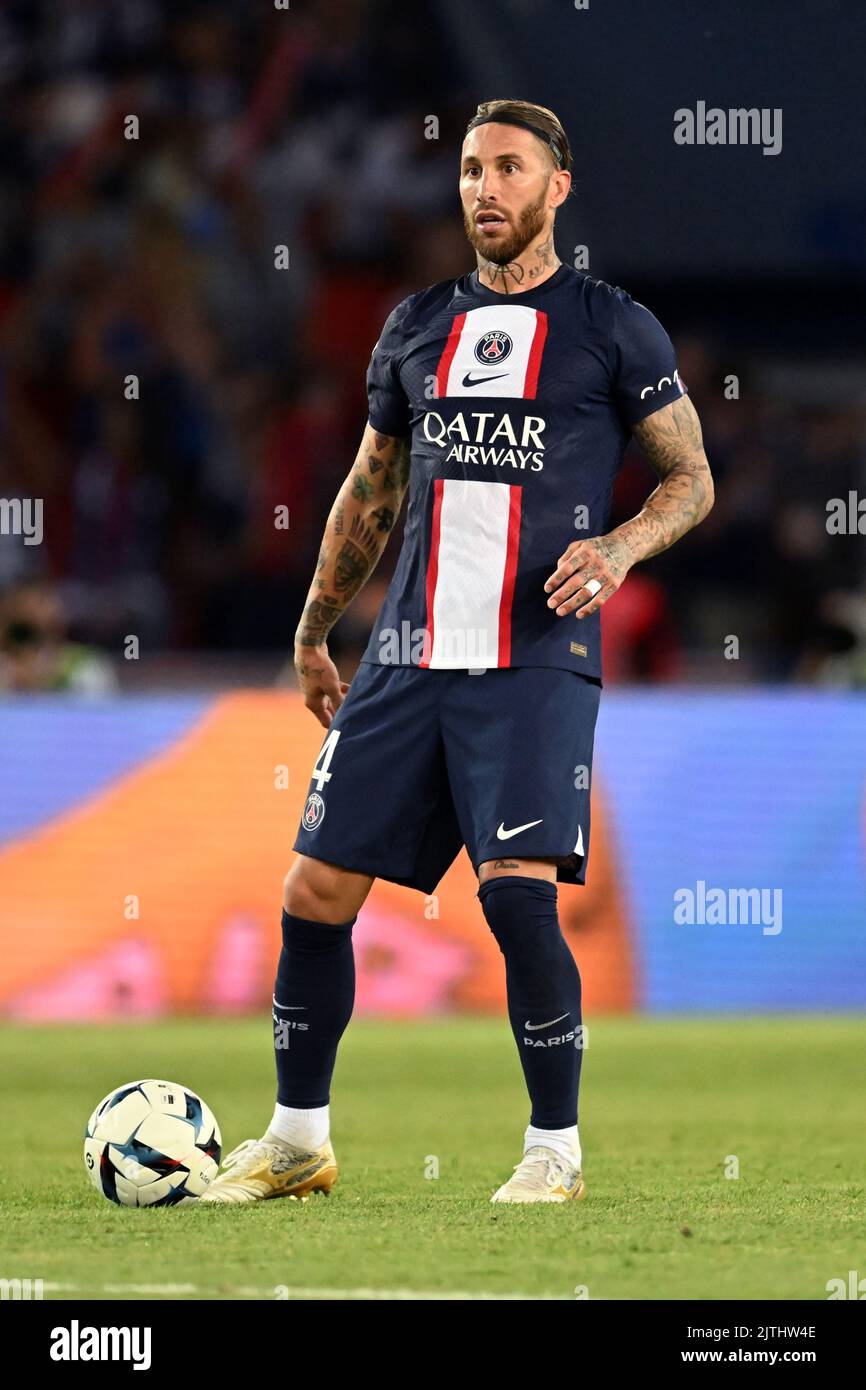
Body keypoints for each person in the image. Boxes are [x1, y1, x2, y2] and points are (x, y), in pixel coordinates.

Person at [203, 99, 714, 1206]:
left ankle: (554, 1154)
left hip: (531, 660)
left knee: (518, 895)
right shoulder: (417, 323)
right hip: (406, 653)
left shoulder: (611, 326)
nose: (485, 189)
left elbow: (690, 478)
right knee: (313, 888)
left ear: (556, 188)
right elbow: (370, 487)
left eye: (509, 170)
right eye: (472, 170)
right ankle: (298, 1140)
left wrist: (618, 547)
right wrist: (312, 624)